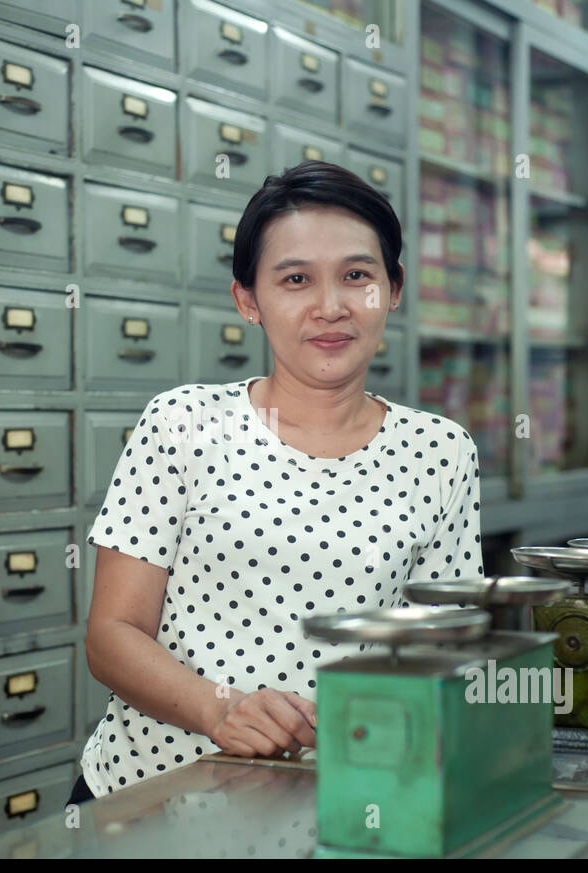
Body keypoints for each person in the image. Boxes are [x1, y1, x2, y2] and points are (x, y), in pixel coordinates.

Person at [68, 161, 483, 805]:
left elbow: (441, 653)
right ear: (249, 300)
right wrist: (218, 709)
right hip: (151, 799)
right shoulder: (184, 424)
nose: (330, 307)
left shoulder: (441, 453)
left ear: (393, 289)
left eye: (357, 276)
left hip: (335, 806)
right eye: (295, 280)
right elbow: (111, 635)